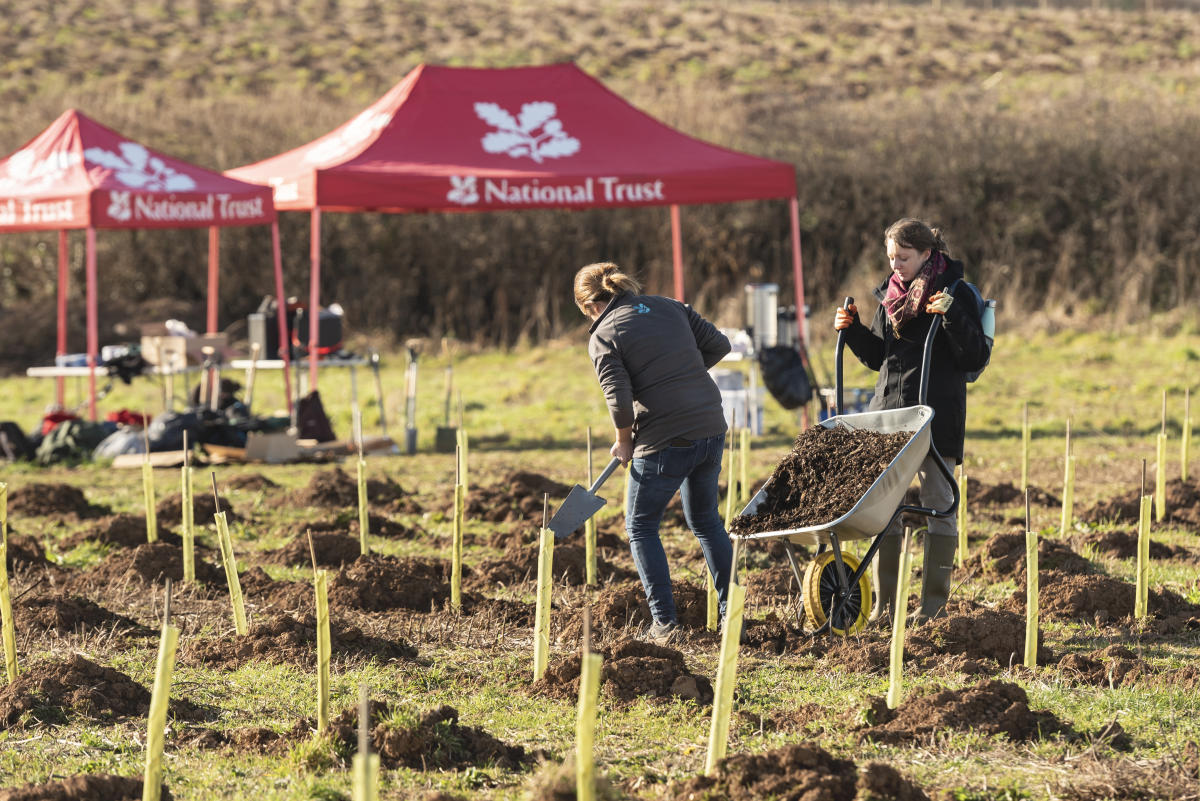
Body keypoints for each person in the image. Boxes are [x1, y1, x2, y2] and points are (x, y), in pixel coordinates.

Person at [833, 218, 989, 622]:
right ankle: (885, 607)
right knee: (886, 510)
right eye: (890, 257)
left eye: (903, 257)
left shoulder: (955, 292)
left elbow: (975, 358)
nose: (896, 265)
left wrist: (952, 316)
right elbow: (880, 359)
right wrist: (852, 332)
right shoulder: (890, 296)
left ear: (926, 254)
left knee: (940, 506)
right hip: (891, 418)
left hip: (937, 419)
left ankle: (933, 608)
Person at [574, 261, 734, 644]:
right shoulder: (669, 305)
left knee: (640, 525)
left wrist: (624, 438)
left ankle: (664, 624)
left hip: (666, 439)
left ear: (588, 306)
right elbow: (720, 344)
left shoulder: (604, 335)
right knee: (707, 521)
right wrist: (684, 375)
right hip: (710, 426)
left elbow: (618, 399)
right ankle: (733, 615)